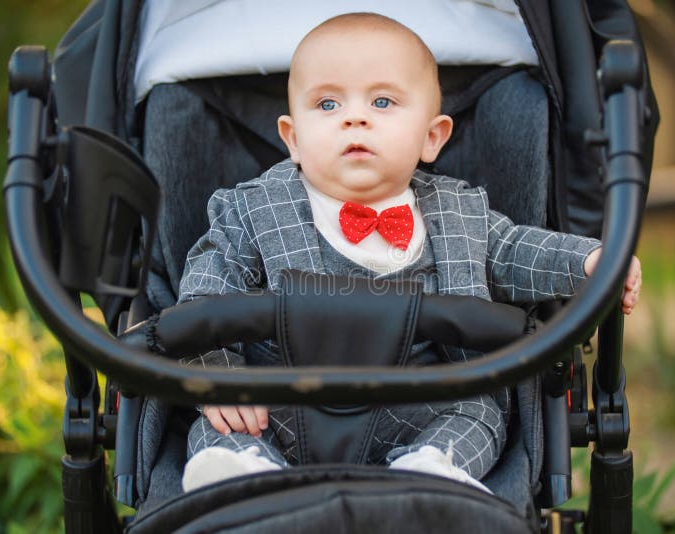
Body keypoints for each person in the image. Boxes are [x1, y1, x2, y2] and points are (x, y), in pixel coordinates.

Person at [177, 13, 642, 493]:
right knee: (216, 428)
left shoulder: (459, 212)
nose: (354, 118)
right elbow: (203, 298)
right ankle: (247, 474)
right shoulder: (252, 210)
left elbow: (515, 252)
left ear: (431, 137)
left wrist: (589, 262)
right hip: (278, 405)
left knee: (479, 410)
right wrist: (220, 379)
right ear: (292, 139)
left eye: (382, 101)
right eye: (328, 103)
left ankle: (431, 469)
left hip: (421, 406)